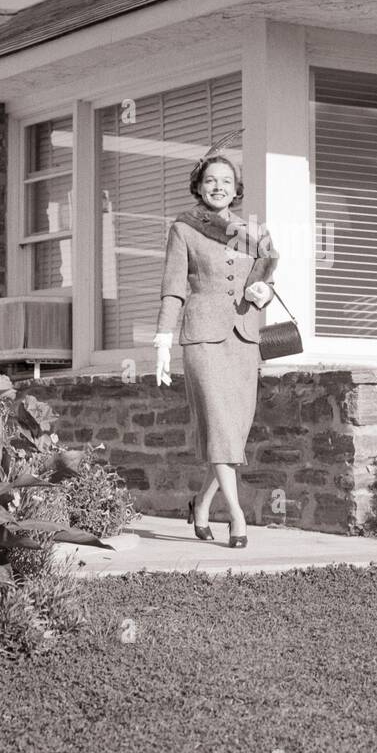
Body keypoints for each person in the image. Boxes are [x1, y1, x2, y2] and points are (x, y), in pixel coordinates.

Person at [153, 143, 277, 548]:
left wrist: (263, 292)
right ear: (199, 186)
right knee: (220, 427)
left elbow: (264, 283)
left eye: (226, 181)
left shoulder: (251, 234)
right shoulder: (183, 229)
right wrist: (162, 341)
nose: (218, 187)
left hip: (243, 339)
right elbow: (173, 289)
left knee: (231, 435)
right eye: (211, 181)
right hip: (202, 340)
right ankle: (237, 517)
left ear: (236, 188)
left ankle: (201, 506)